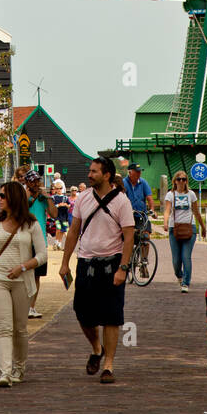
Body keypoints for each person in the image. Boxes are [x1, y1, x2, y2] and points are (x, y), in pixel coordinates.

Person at [59, 156, 135, 384]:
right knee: (82, 312)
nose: (90, 175)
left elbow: (129, 235)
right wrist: (65, 263)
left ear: (107, 175)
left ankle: (108, 365)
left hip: (111, 263)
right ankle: (96, 347)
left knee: (111, 316)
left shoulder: (121, 201)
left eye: (94, 171)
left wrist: (123, 267)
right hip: (86, 263)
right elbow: (73, 231)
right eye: (90, 171)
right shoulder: (82, 198)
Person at [0, 181, 47, 387]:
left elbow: (42, 255)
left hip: (22, 281)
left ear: (14, 198)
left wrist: (22, 267)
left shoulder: (31, 224)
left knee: (20, 328)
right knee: (3, 327)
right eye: (0, 195)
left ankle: (19, 367)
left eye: (3, 195)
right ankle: (4, 372)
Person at [163, 172, 204, 292]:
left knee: (186, 257)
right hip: (174, 228)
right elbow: (167, 210)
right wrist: (165, 222)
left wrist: (202, 226)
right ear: (175, 181)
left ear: (186, 181)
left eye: (184, 179)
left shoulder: (191, 194)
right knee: (176, 260)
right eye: (179, 179)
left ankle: (186, 283)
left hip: (189, 228)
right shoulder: (170, 194)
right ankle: (179, 275)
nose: (181, 181)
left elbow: (196, 212)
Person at [24, 171, 57, 317]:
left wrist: (48, 197)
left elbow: (54, 214)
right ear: (27, 183)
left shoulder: (43, 198)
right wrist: (32, 195)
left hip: (40, 241)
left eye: (38, 181)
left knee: (36, 276)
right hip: (24, 240)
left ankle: (31, 307)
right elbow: (21, 209)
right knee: (24, 275)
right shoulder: (24, 195)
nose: (36, 184)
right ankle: (22, 306)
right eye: (33, 182)